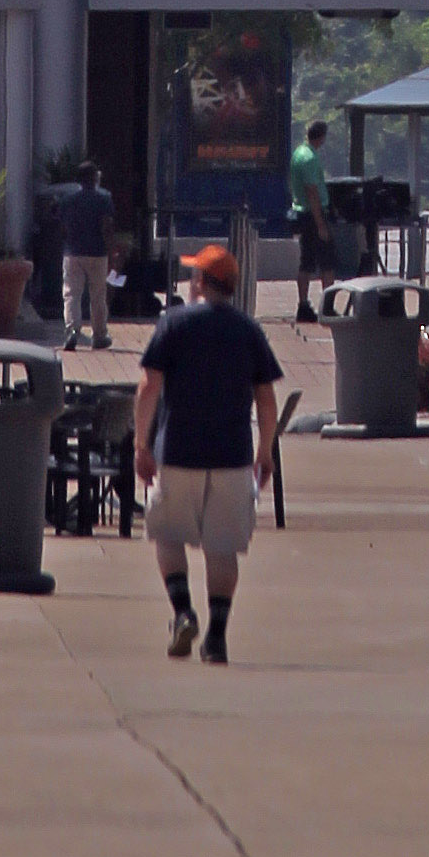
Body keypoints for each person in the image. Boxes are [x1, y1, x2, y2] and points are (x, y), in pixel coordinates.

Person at [135, 240, 284, 663]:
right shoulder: (247, 330)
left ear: (200, 281)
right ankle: (217, 636)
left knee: (167, 533)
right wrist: (265, 451)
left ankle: (183, 612)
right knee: (222, 548)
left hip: (178, 449)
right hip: (232, 453)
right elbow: (266, 398)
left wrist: (140, 443)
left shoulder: (174, 324)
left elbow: (150, 387)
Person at [59, 157, 117, 347]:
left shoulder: (68, 199)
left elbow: (61, 224)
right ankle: (99, 335)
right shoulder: (104, 198)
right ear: (94, 177)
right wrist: (112, 252)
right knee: (98, 294)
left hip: (73, 252)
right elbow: (107, 226)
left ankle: (72, 330)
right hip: (97, 252)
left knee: (71, 293)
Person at [290, 119, 335, 324]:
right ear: (322, 137)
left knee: (306, 262)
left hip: (301, 212)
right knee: (327, 262)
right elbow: (312, 191)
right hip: (313, 214)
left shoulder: (299, 153)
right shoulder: (309, 158)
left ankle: (303, 304)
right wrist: (321, 225)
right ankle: (328, 306)